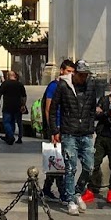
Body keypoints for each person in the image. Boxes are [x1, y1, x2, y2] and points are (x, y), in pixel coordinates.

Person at [54, 62, 96, 215]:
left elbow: (92, 108)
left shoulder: (91, 85)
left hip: (85, 132)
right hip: (69, 132)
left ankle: (77, 192)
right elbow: (53, 108)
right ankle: (71, 200)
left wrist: (90, 127)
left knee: (89, 167)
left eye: (86, 75)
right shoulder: (64, 85)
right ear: (75, 74)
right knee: (70, 167)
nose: (84, 78)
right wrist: (54, 130)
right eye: (81, 75)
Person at [84, 73, 111, 206]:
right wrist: (108, 113)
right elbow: (95, 115)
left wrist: (103, 114)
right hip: (102, 136)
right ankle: (91, 189)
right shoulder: (103, 99)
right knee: (94, 163)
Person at [40, 59, 74, 204]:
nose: (71, 74)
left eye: (73, 72)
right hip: (56, 127)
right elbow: (48, 108)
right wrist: (52, 129)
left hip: (66, 126)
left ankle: (47, 189)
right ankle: (62, 192)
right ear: (61, 71)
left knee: (57, 159)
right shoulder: (54, 86)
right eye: (68, 71)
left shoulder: (68, 86)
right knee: (59, 160)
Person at [0, 70, 27, 145]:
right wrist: (23, 105)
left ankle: (10, 136)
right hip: (17, 106)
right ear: (15, 76)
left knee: (6, 122)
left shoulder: (5, 84)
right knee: (14, 122)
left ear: (8, 76)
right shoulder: (20, 84)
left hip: (7, 106)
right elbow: (24, 96)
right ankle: (11, 137)